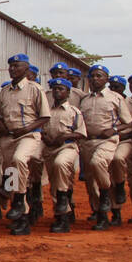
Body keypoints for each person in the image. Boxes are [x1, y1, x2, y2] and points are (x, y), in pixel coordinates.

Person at [0, 54, 50, 236]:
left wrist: (25, 129)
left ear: (26, 69)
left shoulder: (35, 89)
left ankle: (19, 201)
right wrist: (0, 125)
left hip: (28, 136)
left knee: (19, 160)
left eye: (17, 66)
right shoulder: (4, 92)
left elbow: (44, 117)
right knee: (11, 174)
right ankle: (21, 218)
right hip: (8, 137)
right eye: (10, 66)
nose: (12, 69)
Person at [77, 65, 130, 230]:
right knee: (92, 182)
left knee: (97, 162)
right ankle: (101, 216)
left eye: (99, 76)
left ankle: (106, 195)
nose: (95, 79)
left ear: (106, 79)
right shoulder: (84, 100)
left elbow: (128, 122)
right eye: (92, 76)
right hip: (87, 142)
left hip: (106, 141)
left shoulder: (115, 98)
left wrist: (113, 130)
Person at [41, 78, 87, 232]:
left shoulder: (74, 112)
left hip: (67, 147)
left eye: (61, 89)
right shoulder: (46, 111)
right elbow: (41, 129)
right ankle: (62, 217)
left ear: (68, 92)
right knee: (55, 183)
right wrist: (44, 136)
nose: (57, 92)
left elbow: (81, 133)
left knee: (60, 164)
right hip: (49, 149)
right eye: (54, 89)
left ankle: (63, 207)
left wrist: (65, 136)